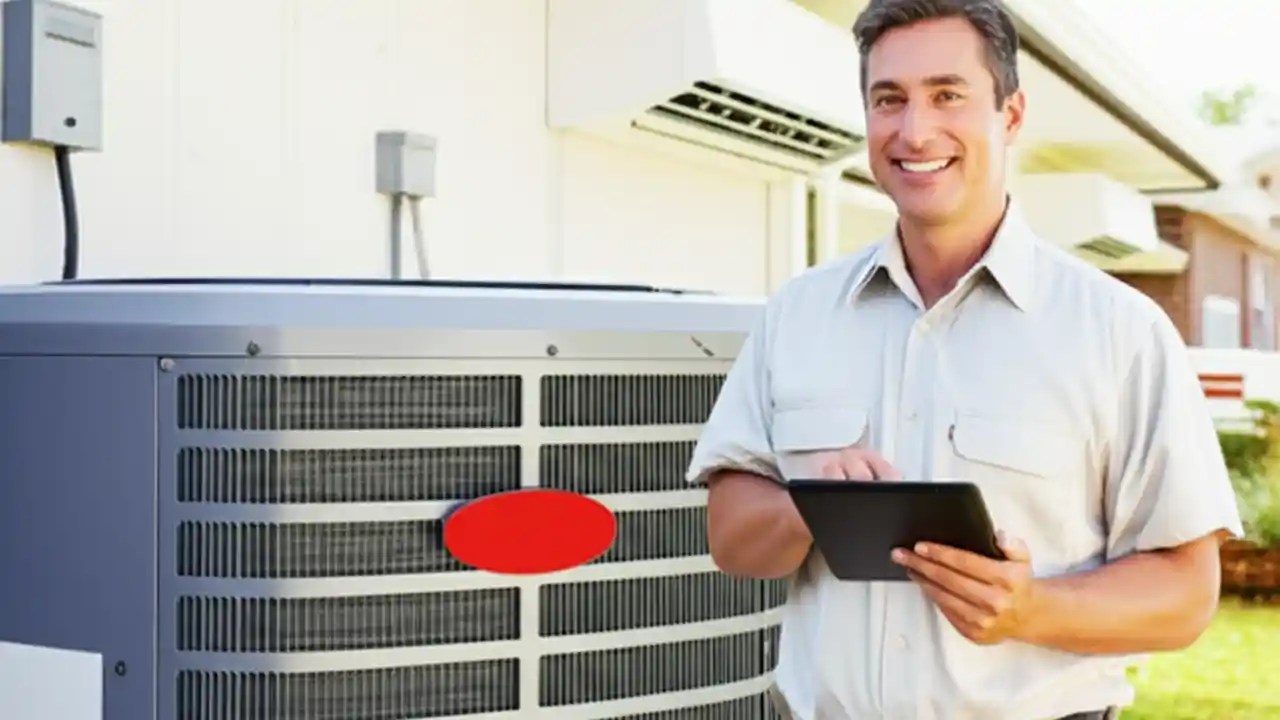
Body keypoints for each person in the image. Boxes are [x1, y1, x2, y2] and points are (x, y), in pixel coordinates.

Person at [684, 1, 1245, 718]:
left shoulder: (1121, 331)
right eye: (890, 99)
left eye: (948, 95)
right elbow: (732, 541)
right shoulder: (796, 315)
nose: (915, 130)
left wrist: (1031, 608)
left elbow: (1187, 596)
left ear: (1010, 116)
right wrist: (811, 506)